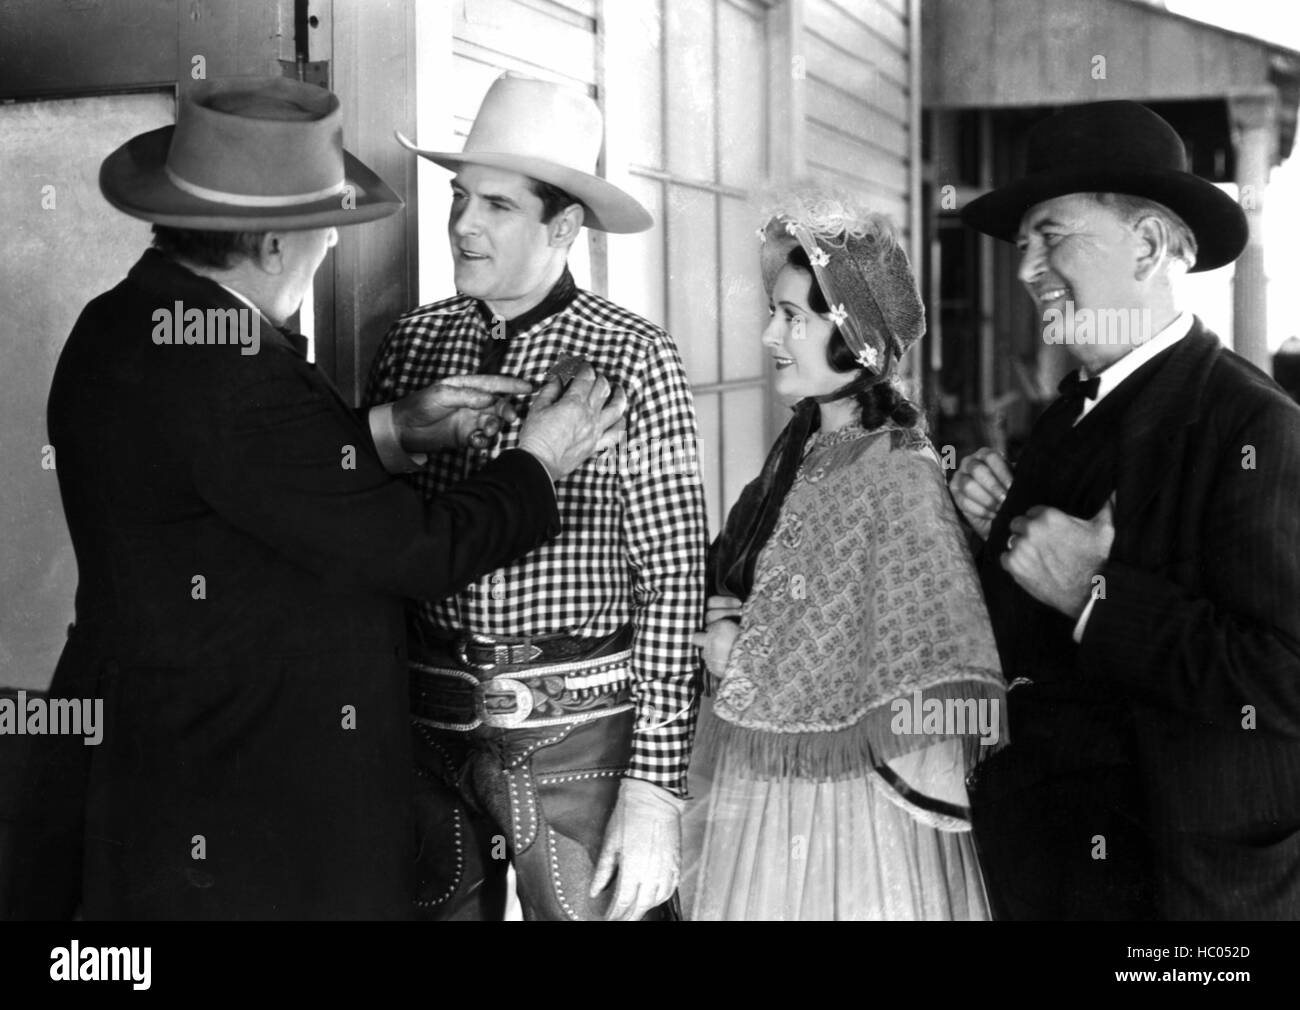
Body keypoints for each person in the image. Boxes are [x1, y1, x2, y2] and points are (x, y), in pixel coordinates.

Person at [3, 77, 625, 921]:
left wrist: (392, 430)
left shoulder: (122, 321)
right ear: (269, 244)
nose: (330, 246)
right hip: (240, 795)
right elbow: (417, 551)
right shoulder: (232, 373)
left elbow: (228, 479)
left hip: (156, 764)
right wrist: (538, 461)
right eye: (324, 227)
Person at [365, 73, 707, 921]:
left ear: (563, 227)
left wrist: (656, 786)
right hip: (427, 730)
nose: (463, 226)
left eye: (498, 206)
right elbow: (369, 545)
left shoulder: (635, 357)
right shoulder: (415, 344)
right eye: (459, 199)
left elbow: (672, 581)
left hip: (580, 739)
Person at [951, 100, 1300, 920]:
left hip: (1183, 900)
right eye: (1023, 242)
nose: (1026, 266)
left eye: (1053, 236)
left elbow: (1286, 674)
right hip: (1046, 867)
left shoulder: (1257, 427)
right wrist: (992, 536)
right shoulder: (1065, 414)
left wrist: (1093, 596)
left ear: (1146, 245)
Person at [686, 191, 1005, 921]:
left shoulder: (896, 469)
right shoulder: (808, 441)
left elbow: (922, 658)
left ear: (854, 335)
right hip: (781, 775)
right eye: (775, 311)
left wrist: (742, 652)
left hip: (853, 807)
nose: (770, 333)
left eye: (793, 317)